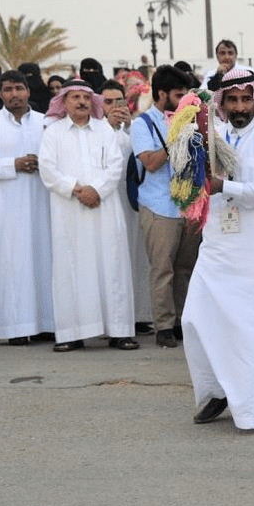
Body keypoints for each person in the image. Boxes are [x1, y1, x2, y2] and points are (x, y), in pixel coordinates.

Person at [180, 68, 254, 428]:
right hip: (217, 246)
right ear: (223, 103)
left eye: (247, 99)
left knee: (253, 332)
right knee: (196, 318)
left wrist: (224, 187)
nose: (240, 106)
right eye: (233, 100)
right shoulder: (213, 136)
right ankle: (217, 391)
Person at [39, 79, 137, 352]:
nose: (81, 102)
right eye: (75, 97)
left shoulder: (105, 131)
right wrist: (76, 189)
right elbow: (47, 169)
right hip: (70, 211)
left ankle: (120, 331)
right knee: (71, 269)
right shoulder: (53, 132)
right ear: (64, 102)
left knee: (112, 266)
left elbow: (115, 165)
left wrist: (97, 190)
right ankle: (71, 333)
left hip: (105, 209)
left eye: (85, 97)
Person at [131, 65, 201, 348]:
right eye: (178, 94)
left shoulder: (191, 119)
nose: (183, 99)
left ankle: (182, 320)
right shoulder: (143, 123)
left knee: (186, 268)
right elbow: (149, 162)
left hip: (188, 206)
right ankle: (163, 325)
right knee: (163, 269)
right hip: (159, 206)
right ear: (162, 94)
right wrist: (176, 136)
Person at [0, 70, 54, 345]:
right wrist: (13, 165)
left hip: (41, 204)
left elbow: (58, 157)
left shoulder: (45, 124)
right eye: (8, 90)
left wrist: (40, 162)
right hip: (7, 208)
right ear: (1, 94)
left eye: (19, 89)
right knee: (13, 264)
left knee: (44, 259)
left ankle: (47, 324)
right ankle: (16, 328)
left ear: (28, 92)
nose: (14, 95)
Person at [99, 79, 153, 335]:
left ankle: (141, 315)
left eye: (118, 101)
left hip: (134, 202)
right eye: (107, 102)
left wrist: (129, 126)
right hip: (107, 203)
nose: (113, 107)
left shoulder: (137, 127)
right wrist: (109, 127)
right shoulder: (95, 131)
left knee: (138, 257)